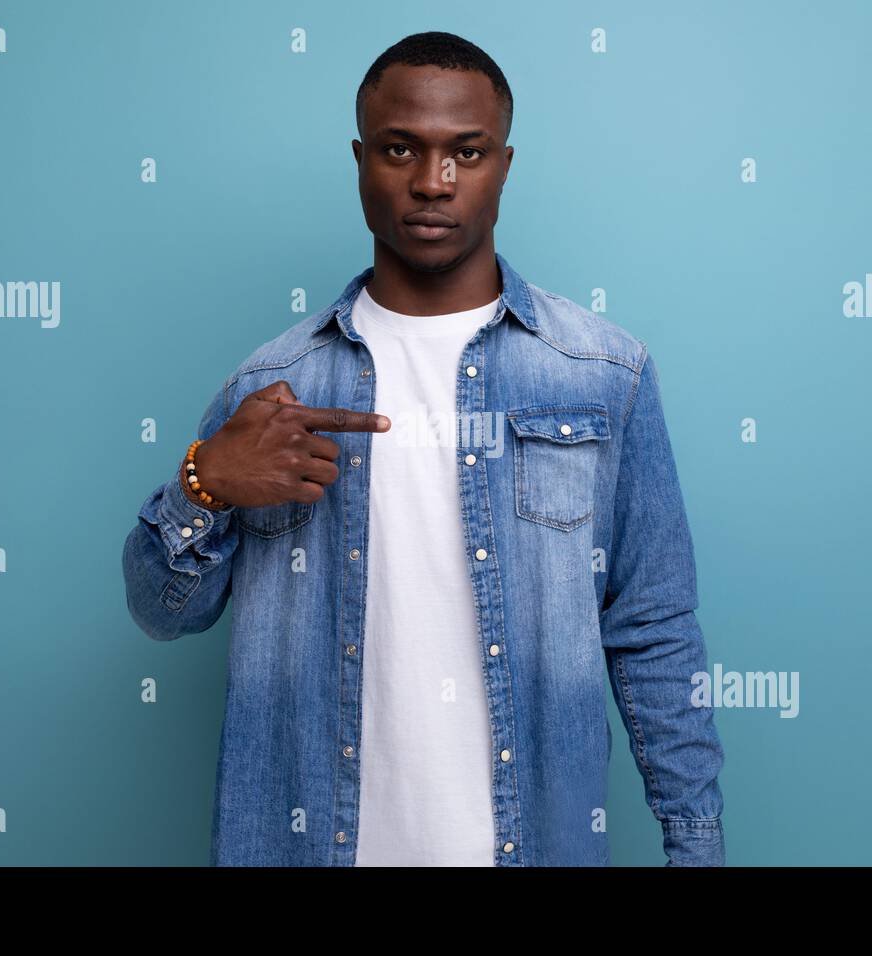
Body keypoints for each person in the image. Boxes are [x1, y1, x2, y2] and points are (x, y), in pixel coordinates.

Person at [121, 31, 725, 866]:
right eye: (402, 148)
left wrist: (695, 844)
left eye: (465, 152)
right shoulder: (274, 383)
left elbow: (654, 629)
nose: (433, 182)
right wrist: (204, 482)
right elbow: (160, 613)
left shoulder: (601, 374)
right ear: (361, 160)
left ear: (503, 167)